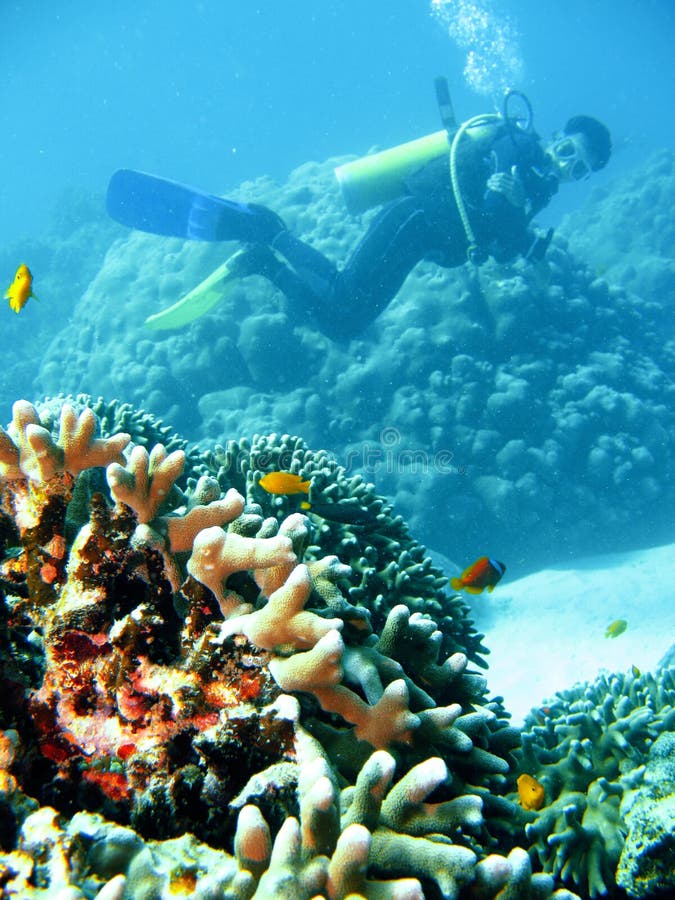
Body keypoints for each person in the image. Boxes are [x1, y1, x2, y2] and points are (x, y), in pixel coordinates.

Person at [107, 92, 611, 340]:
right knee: (344, 300)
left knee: (343, 324)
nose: (565, 164)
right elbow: (491, 213)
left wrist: (515, 234)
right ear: (556, 136)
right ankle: (266, 232)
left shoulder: (537, 190)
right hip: (413, 221)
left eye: (579, 167)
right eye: (568, 149)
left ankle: (265, 257)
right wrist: (512, 221)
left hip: (423, 239)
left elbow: (495, 241)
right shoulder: (518, 146)